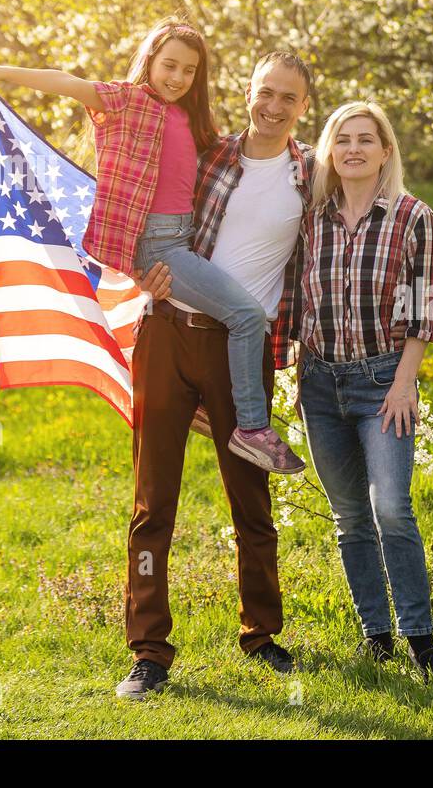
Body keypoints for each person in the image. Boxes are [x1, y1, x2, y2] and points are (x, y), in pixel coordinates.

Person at [0, 17, 305, 475]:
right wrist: (1, 71)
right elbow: (67, 83)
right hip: (160, 246)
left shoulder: (191, 120)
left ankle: (207, 407)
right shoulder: (127, 100)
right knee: (245, 316)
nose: (177, 78)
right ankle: (252, 428)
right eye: (169, 65)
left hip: (183, 240)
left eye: (188, 71)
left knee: (232, 315)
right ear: (150, 62)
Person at [113, 52, 320, 698]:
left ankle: (260, 635)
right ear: (248, 94)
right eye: (265, 93)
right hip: (168, 337)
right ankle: (149, 650)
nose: (274, 106)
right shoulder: (207, 155)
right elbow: (147, 220)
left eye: (288, 97)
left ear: (303, 107)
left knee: (251, 501)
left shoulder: (311, 175)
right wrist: (142, 274)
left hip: (243, 350)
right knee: (153, 505)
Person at [296, 100, 433, 680]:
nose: (354, 149)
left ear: (386, 150)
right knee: (349, 516)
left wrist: (404, 383)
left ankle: (420, 638)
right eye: (343, 140)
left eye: (366, 139)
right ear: (330, 153)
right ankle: (376, 635)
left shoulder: (414, 217)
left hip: (383, 382)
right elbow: (297, 297)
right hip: (319, 384)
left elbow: (427, 308)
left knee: (392, 508)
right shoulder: (313, 219)